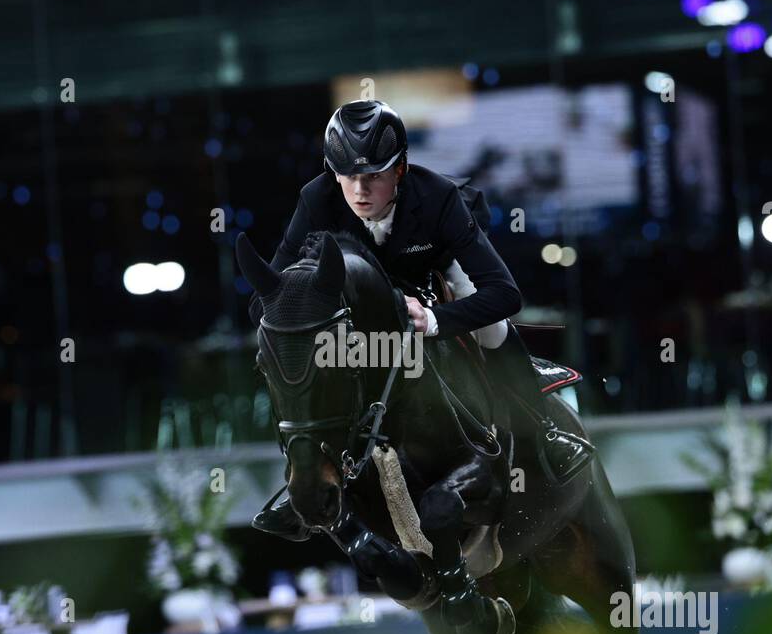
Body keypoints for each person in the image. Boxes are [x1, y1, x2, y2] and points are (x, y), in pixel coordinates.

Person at [250, 99, 591, 540]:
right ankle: (302, 474)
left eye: (373, 176)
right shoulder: (316, 199)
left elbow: (505, 294)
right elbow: (268, 300)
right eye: (348, 177)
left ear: (400, 170)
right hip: (364, 301)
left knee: (491, 329)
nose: (359, 191)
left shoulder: (438, 199)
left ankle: (541, 434)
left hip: (435, 272)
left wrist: (434, 319)